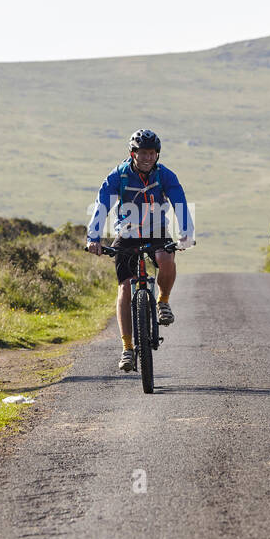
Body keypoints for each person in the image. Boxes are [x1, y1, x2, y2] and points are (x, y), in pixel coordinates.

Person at [87, 129, 194, 372]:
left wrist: (186, 233)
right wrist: (93, 237)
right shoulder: (119, 176)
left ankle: (163, 302)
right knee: (125, 288)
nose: (147, 157)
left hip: (156, 231)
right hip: (126, 233)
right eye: (142, 153)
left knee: (165, 258)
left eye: (152, 153)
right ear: (132, 154)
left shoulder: (165, 175)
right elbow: (102, 203)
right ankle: (127, 348)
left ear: (157, 155)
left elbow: (180, 202)